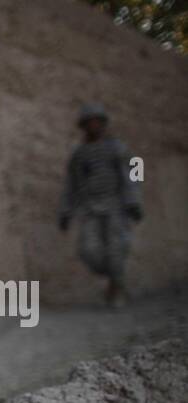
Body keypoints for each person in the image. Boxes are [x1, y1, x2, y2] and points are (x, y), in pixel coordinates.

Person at [58, 103, 142, 308]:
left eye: (97, 121)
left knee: (116, 249)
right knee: (88, 251)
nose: (93, 126)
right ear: (83, 126)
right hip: (90, 207)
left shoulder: (117, 147)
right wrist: (66, 211)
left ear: (103, 124)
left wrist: (134, 200)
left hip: (115, 205)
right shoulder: (79, 154)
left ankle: (116, 290)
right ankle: (116, 279)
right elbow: (71, 184)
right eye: (89, 122)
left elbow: (135, 169)